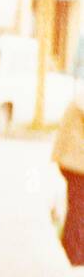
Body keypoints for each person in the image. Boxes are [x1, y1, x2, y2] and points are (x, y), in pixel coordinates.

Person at [52, 91, 84, 265]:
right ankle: (75, 255)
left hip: (73, 160)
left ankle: (74, 251)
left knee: (78, 208)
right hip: (75, 162)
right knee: (79, 210)